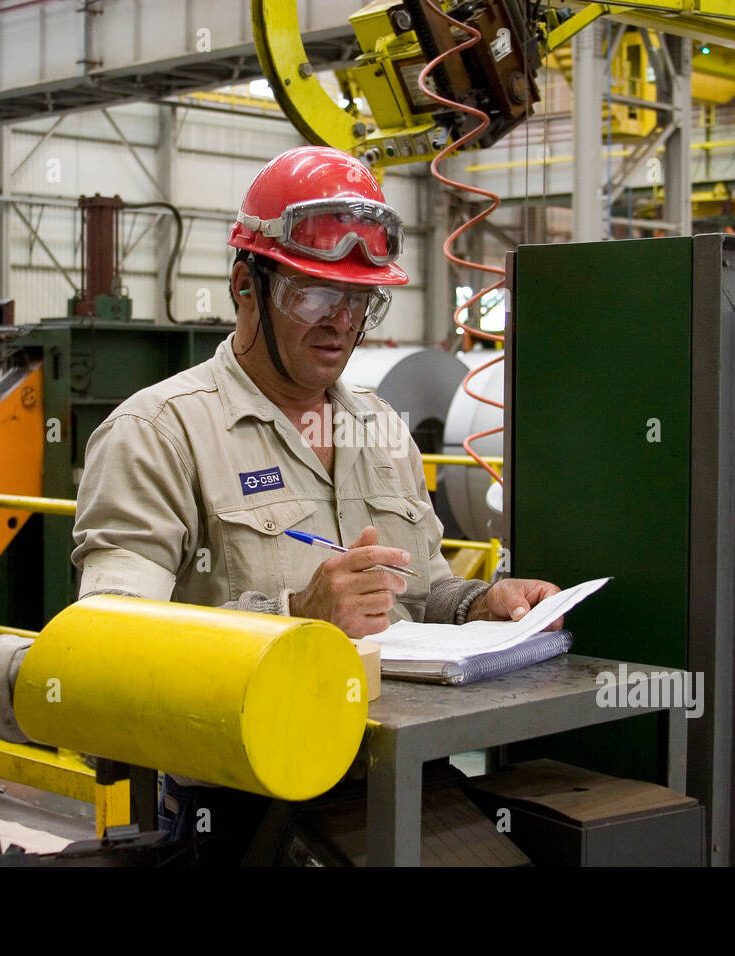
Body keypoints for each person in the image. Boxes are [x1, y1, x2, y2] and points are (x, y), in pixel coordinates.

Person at [70, 145, 563, 845]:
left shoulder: (383, 428)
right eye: (314, 295)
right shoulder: (159, 433)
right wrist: (296, 617)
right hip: (240, 807)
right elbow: (110, 650)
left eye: (360, 300)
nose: (342, 322)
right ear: (246, 285)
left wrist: (485, 603)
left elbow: (425, 595)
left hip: (398, 783)